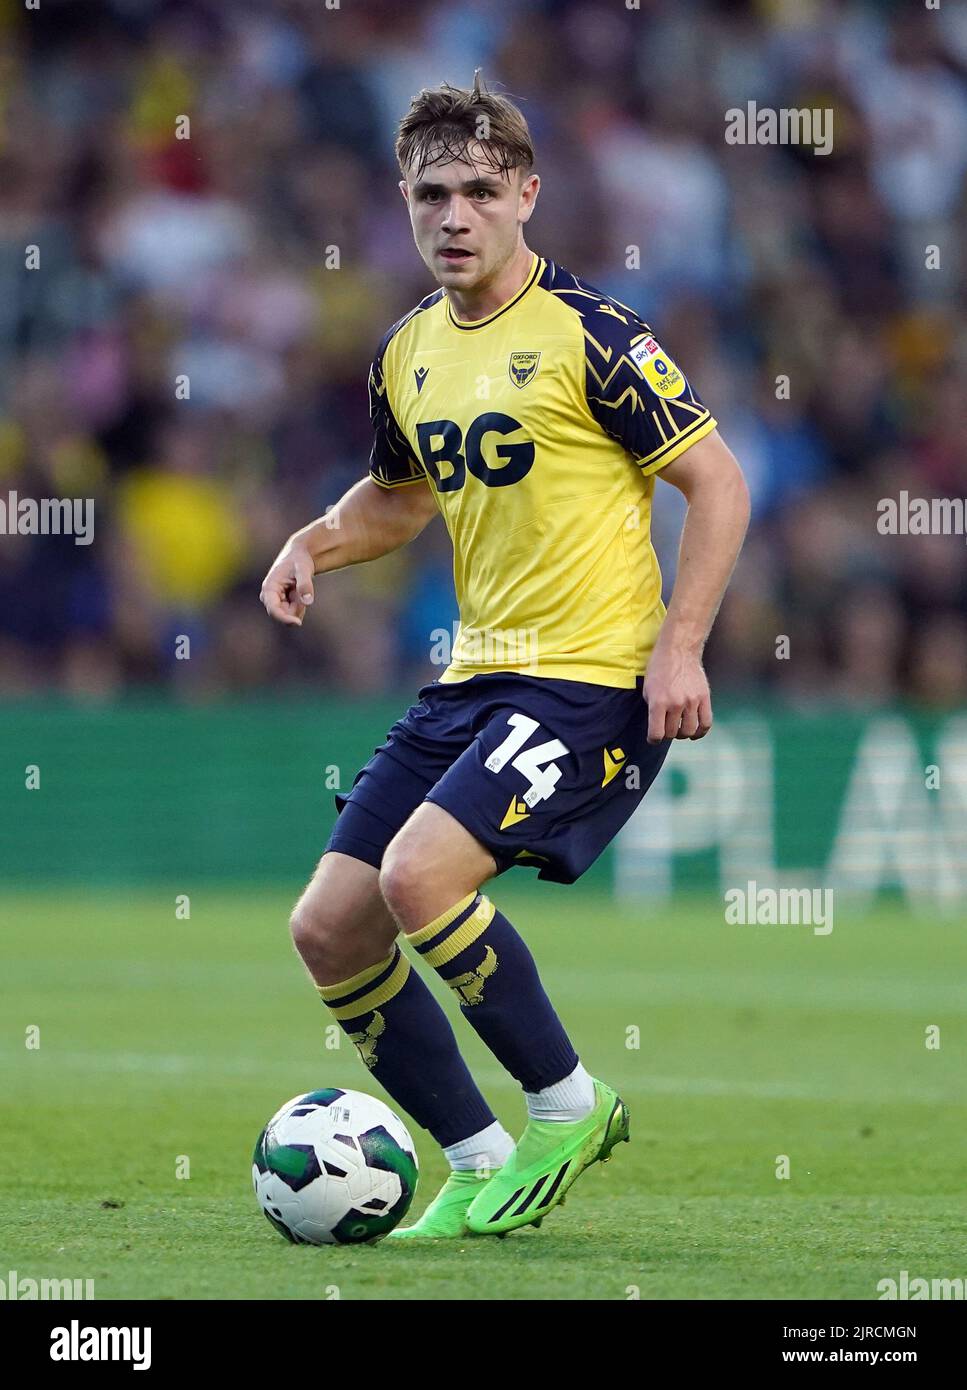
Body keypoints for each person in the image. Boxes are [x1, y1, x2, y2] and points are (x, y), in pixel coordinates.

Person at [260, 74, 750, 1239]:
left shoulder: (591, 331)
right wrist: (313, 543)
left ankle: (570, 1104)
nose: (455, 215)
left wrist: (680, 647)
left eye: (481, 189)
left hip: (591, 678)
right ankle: (476, 1157)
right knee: (328, 924)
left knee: (417, 878)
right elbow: (398, 500)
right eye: (433, 193)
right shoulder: (405, 352)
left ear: (527, 195)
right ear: (404, 200)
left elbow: (715, 480)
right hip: (473, 679)